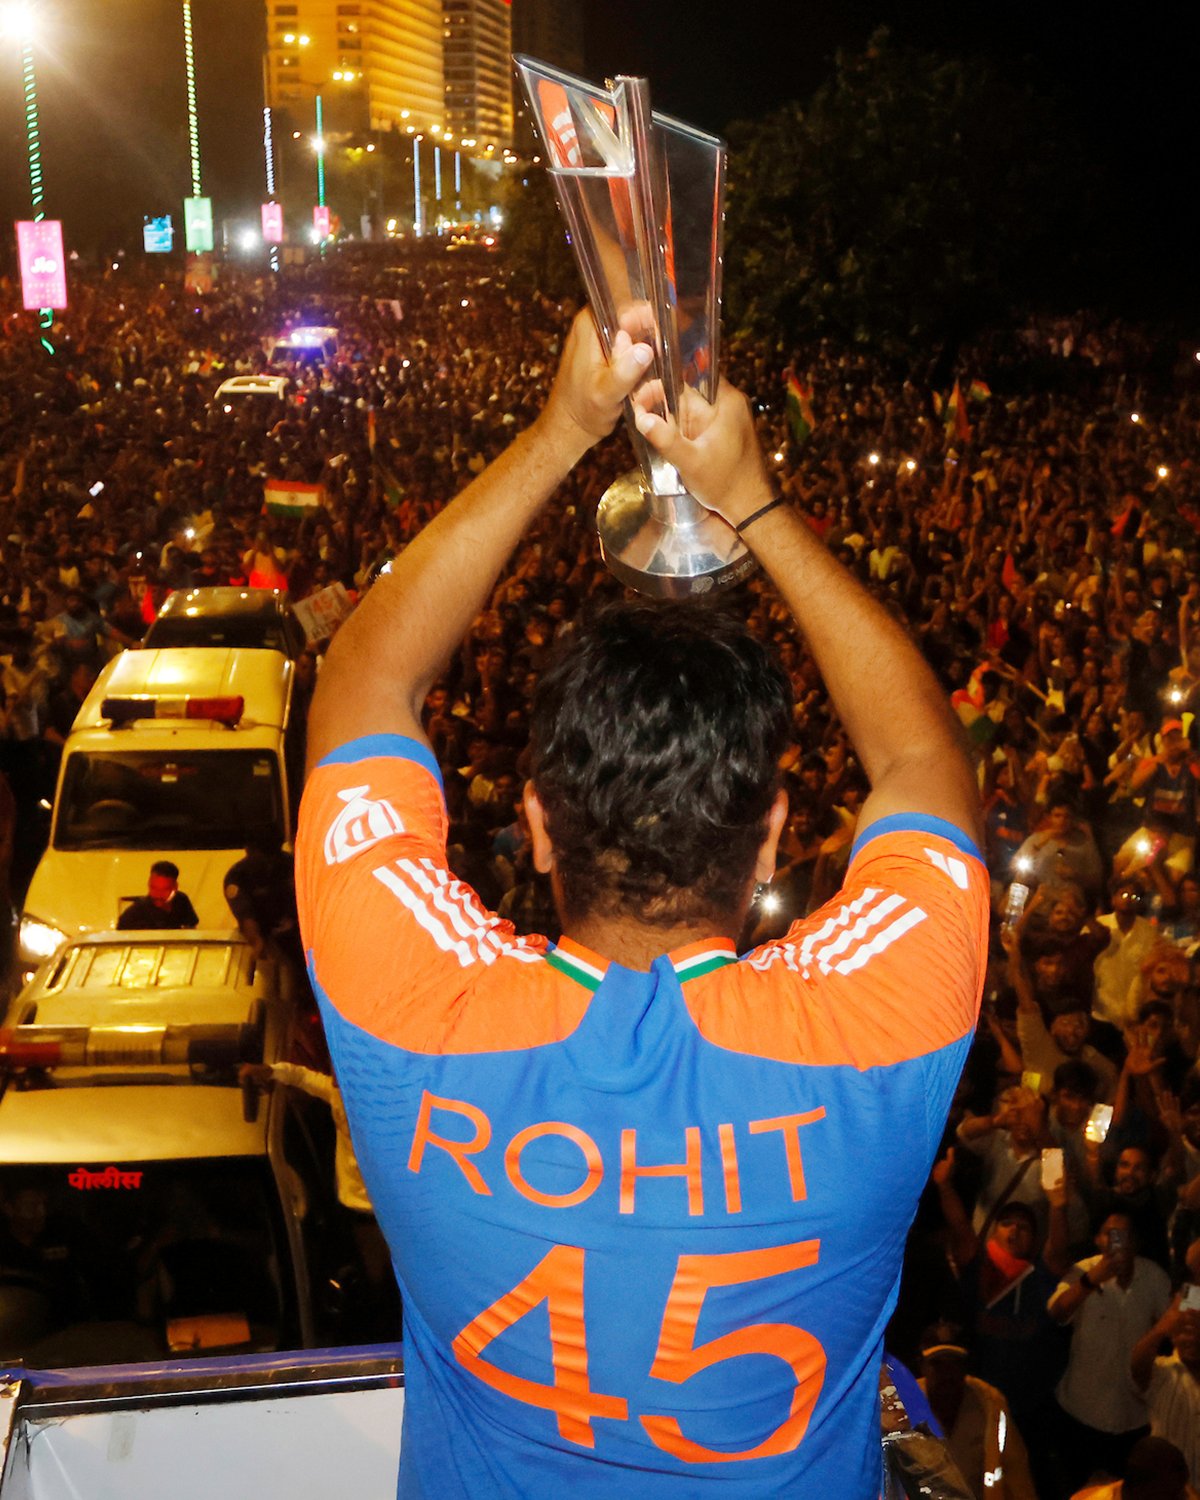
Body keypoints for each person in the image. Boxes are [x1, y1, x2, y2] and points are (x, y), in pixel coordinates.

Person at [295, 312, 987, 1497]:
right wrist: (757, 506)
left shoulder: (409, 1007)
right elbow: (926, 766)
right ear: (771, 838)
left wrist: (564, 428)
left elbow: (365, 676)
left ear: (541, 823)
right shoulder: (884, 1029)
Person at [1050, 1210, 1172, 1490]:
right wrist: (1092, 1280)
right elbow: (1056, 1313)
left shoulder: (1154, 1276)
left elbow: (1182, 1308)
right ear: (1097, 1239)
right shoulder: (1082, 1270)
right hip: (1080, 1411)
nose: (1116, 1241)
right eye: (1109, 1233)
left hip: (1134, 1416)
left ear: (1136, 1243)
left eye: (1124, 1234)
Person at [916, 1321, 1038, 1500]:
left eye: (954, 1364)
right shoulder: (902, 1408)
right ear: (922, 1366)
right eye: (938, 1364)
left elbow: (1015, 1471)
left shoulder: (990, 1404)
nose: (947, 1374)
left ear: (965, 1367)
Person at [116, 860, 200, 931]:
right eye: (154, 888)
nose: (158, 895)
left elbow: (191, 927)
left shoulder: (181, 900)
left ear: (175, 887)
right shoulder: (135, 912)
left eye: (165, 889)